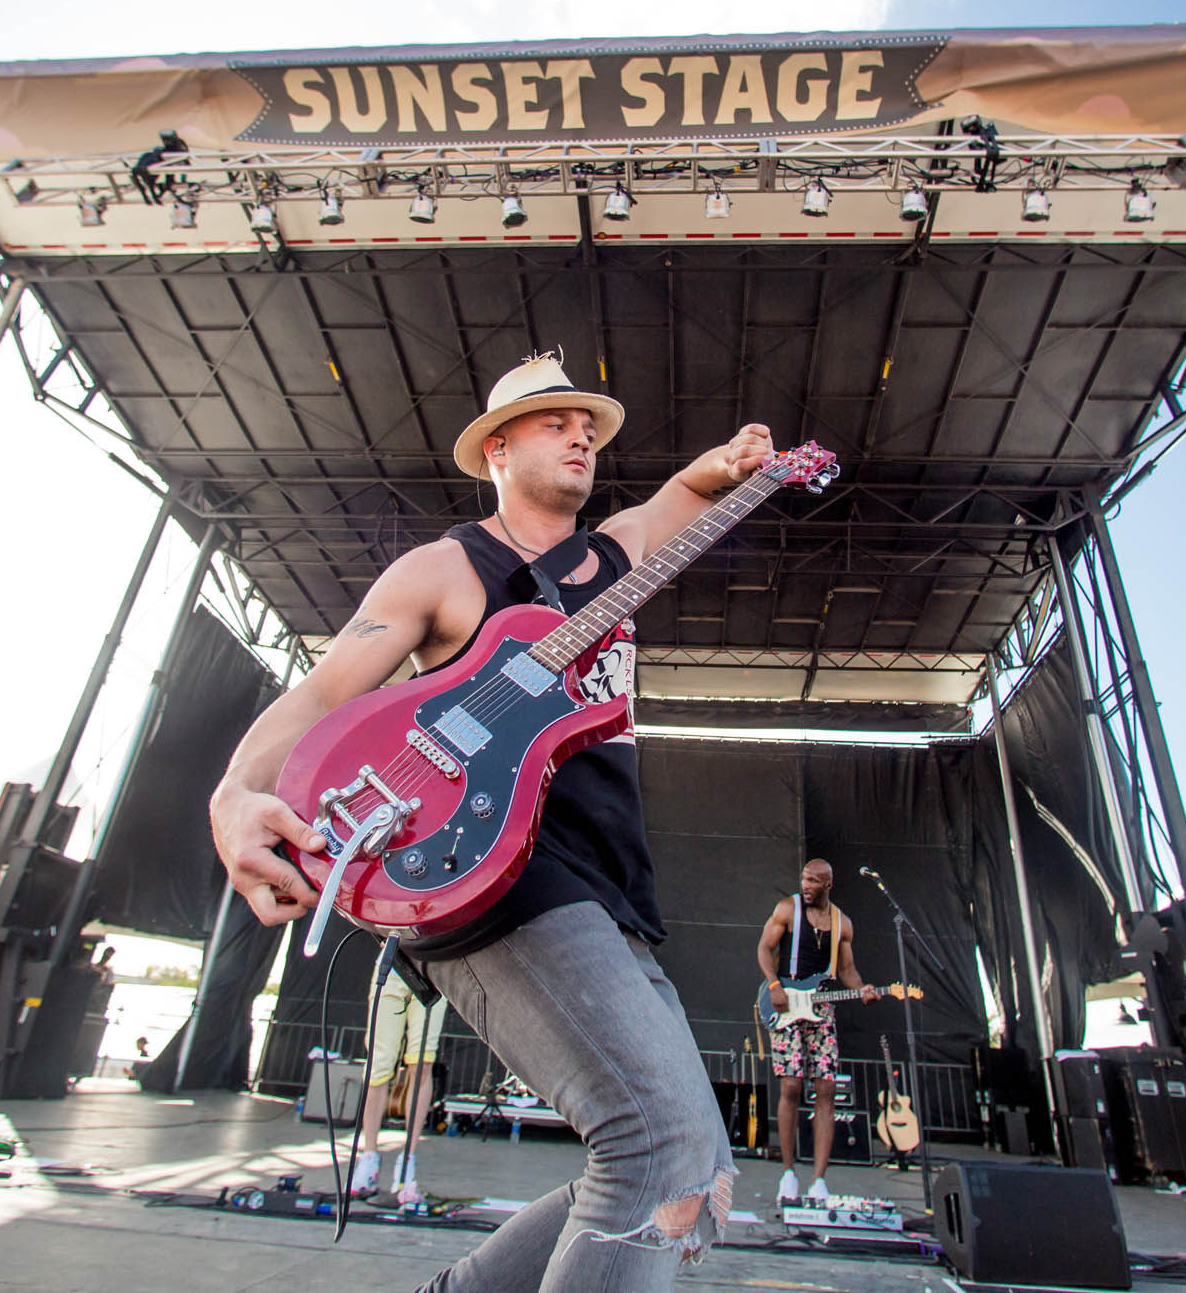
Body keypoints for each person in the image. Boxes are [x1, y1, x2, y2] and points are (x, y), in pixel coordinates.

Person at [212, 352, 772, 1290]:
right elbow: (322, 692)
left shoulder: (614, 556)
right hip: (490, 876)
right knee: (659, 1145)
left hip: (610, 884)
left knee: (700, 1175)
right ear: (498, 448)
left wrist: (733, 461)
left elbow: (684, 491)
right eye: (556, 421)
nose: (582, 433)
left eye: (588, 425)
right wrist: (233, 793)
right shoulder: (442, 567)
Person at [756, 859, 880, 1202]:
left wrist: (862, 989)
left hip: (822, 1008)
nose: (806, 885)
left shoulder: (843, 923)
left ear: (828, 884)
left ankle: (819, 1181)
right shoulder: (787, 909)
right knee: (791, 1086)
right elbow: (765, 948)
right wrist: (772, 984)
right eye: (804, 879)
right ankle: (787, 1174)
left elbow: (848, 969)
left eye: (813, 881)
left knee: (825, 1090)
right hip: (786, 1002)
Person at [350, 957, 448, 1204]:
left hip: (433, 969)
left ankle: (408, 1159)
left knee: (423, 1062)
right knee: (377, 1066)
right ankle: (369, 1155)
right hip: (392, 965)